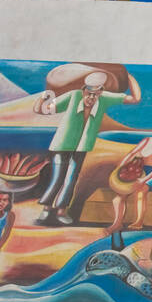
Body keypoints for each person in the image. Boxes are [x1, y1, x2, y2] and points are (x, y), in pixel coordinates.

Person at [33, 69, 141, 226]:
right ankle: (47, 209)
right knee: (57, 178)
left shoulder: (104, 99)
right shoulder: (73, 95)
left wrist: (128, 76)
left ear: (101, 92)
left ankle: (61, 210)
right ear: (83, 90)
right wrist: (43, 97)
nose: (91, 97)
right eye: (89, 93)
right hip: (62, 145)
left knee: (71, 179)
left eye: (95, 94)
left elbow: (135, 99)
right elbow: (42, 110)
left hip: (82, 148)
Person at [105, 107, 152, 235]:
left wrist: (145, 179)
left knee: (141, 190)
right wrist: (120, 168)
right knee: (120, 193)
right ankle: (117, 223)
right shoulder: (147, 140)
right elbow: (132, 153)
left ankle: (138, 222)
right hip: (142, 169)